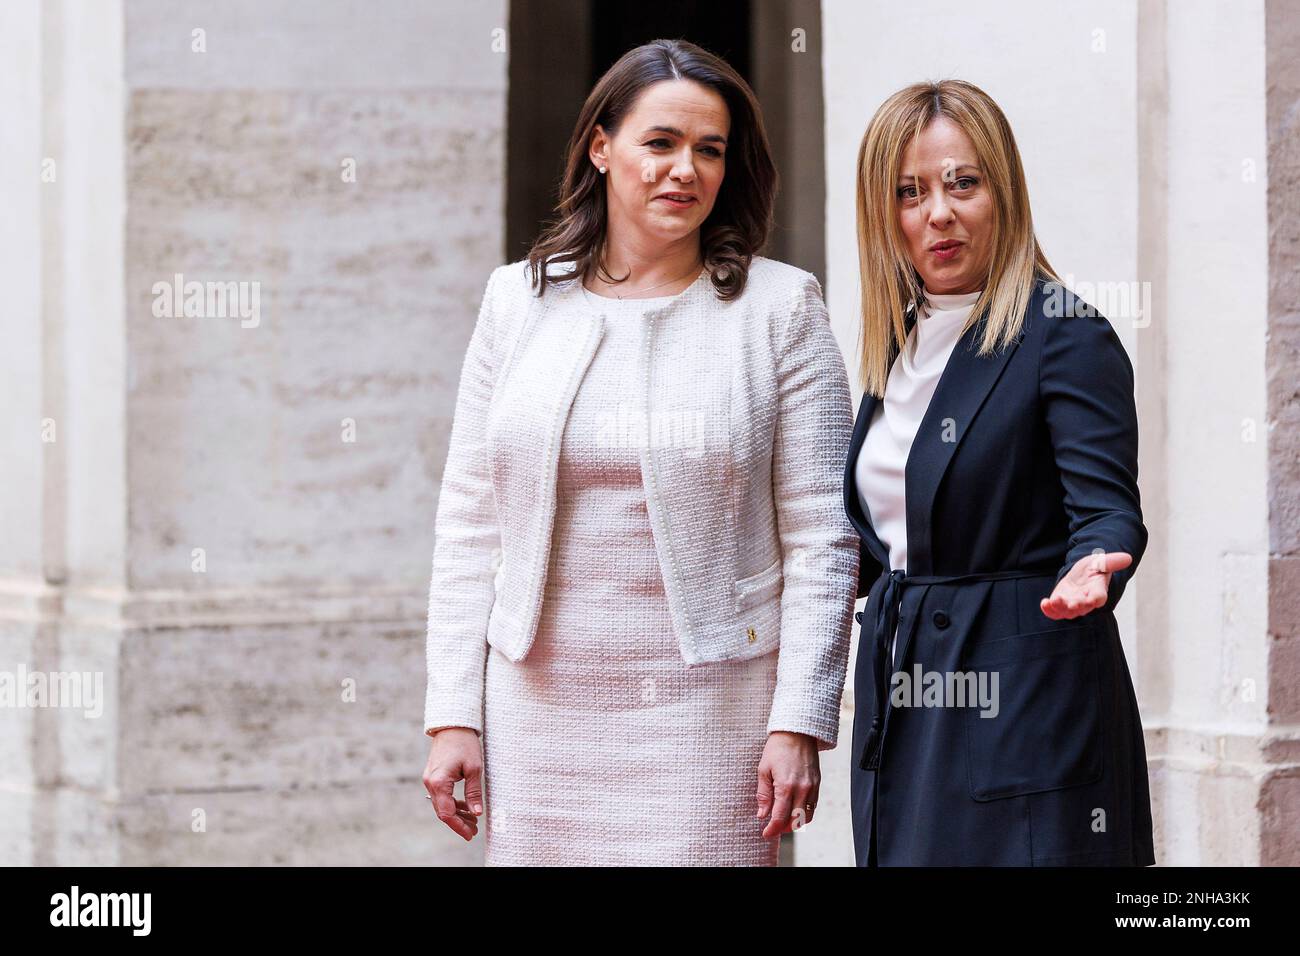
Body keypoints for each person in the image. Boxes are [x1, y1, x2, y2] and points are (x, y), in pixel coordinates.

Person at [421, 38, 858, 865]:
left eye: (709, 150)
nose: (683, 170)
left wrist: (799, 718)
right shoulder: (516, 301)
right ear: (601, 147)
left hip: (711, 711)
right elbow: (469, 525)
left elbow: (823, 537)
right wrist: (453, 715)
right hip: (538, 708)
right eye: (659, 142)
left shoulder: (781, 309)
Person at [845, 79, 1155, 866]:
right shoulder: (897, 343)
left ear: (1003, 191)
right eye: (909, 193)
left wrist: (1096, 565)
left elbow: (1107, 512)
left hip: (1021, 697)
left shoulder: (1064, 332)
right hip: (906, 691)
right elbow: (892, 529)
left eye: (962, 183)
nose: (936, 213)